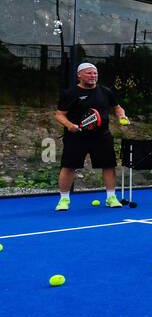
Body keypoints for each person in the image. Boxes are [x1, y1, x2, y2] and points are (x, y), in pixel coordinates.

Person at [53, 62, 130, 211]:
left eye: (95, 73)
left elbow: (117, 107)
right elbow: (59, 114)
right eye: (89, 73)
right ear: (79, 75)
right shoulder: (70, 93)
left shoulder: (106, 91)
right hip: (76, 137)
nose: (93, 76)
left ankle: (111, 197)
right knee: (68, 167)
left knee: (108, 166)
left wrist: (122, 116)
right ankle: (63, 200)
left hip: (102, 137)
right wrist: (69, 125)